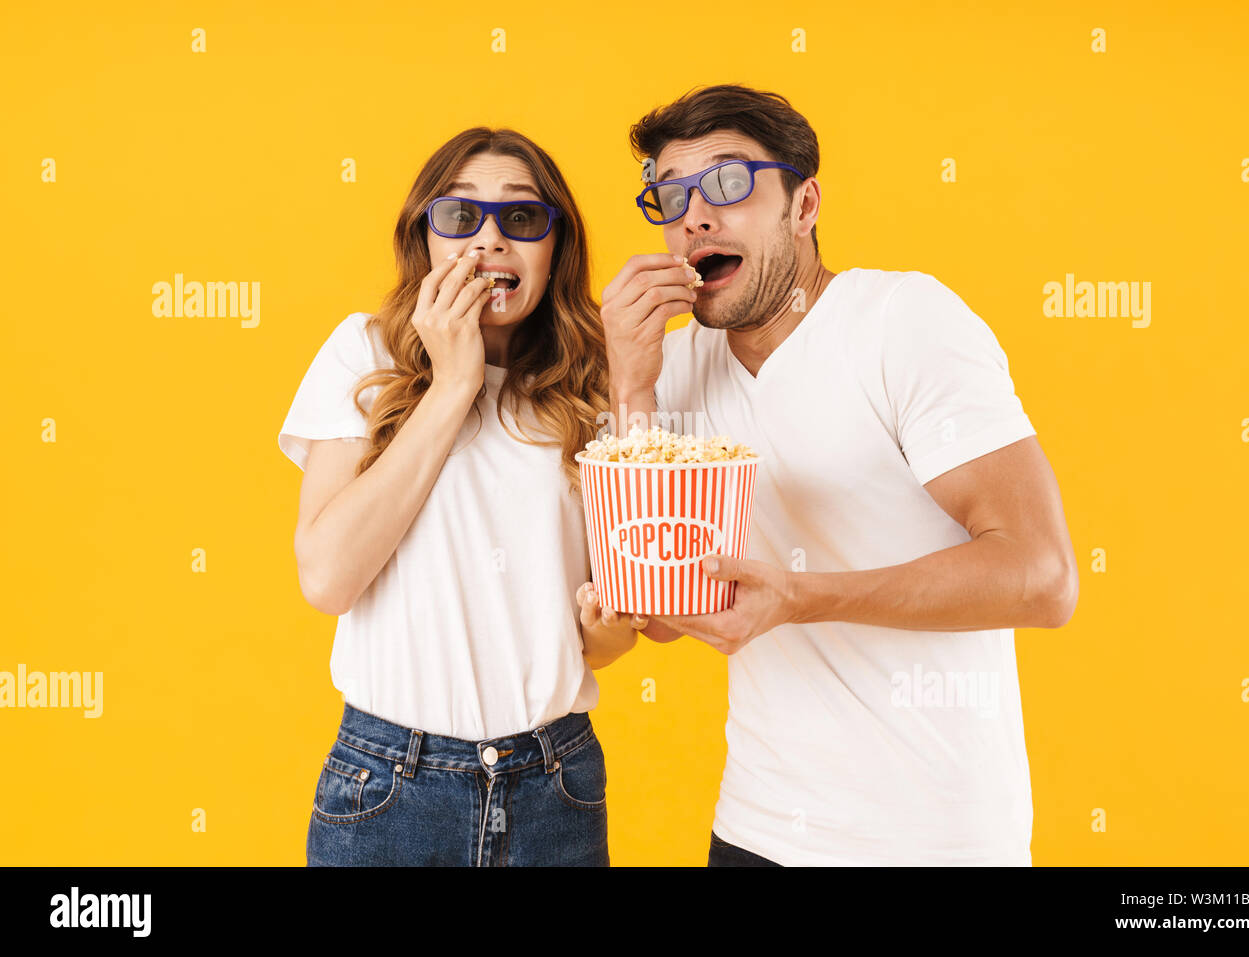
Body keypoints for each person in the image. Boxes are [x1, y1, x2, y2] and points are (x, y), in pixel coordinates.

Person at [600, 84, 1079, 866]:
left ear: (804, 204)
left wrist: (801, 598)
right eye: (671, 195)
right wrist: (629, 386)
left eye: (727, 183)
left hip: (933, 845)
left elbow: (1043, 574)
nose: (694, 216)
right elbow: (656, 602)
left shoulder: (903, 322)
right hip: (755, 830)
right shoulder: (670, 369)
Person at [278, 128, 643, 866]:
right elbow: (327, 576)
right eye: (459, 217)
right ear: (426, 239)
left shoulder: (592, 390)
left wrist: (607, 623)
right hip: (389, 788)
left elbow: (608, 640)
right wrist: (453, 385)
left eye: (520, 219)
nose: (489, 240)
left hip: (555, 785)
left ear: (553, 246)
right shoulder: (364, 354)